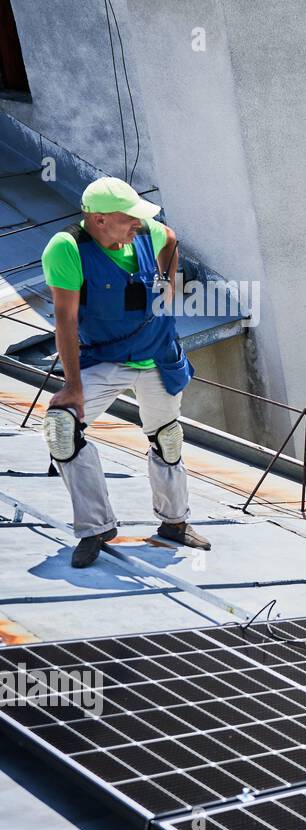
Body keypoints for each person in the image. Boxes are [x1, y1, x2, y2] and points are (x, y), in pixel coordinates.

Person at [40, 177, 211, 568]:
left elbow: (170, 238)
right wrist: (73, 387)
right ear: (98, 220)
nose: (138, 224)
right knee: (61, 429)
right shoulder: (68, 249)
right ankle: (95, 527)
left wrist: (167, 281)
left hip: (158, 355)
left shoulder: (145, 233)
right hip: (106, 358)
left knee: (167, 438)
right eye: (128, 218)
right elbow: (64, 320)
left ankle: (174, 523)